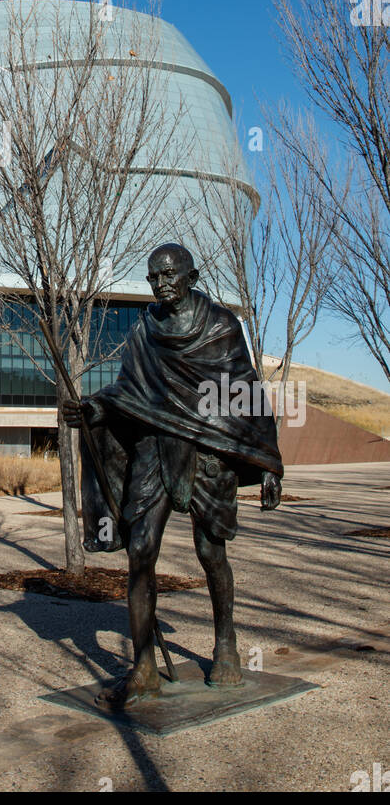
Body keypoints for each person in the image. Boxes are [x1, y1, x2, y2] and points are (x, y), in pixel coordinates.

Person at [63, 242, 283, 706]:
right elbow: (128, 390)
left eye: (169, 276)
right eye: (153, 278)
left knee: (210, 552)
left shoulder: (222, 326)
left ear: (192, 276)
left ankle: (226, 644)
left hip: (208, 452)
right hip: (155, 447)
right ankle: (143, 668)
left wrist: (269, 465)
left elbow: (247, 393)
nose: (161, 285)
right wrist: (93, 408)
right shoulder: (144, 330)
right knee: (141, 549)